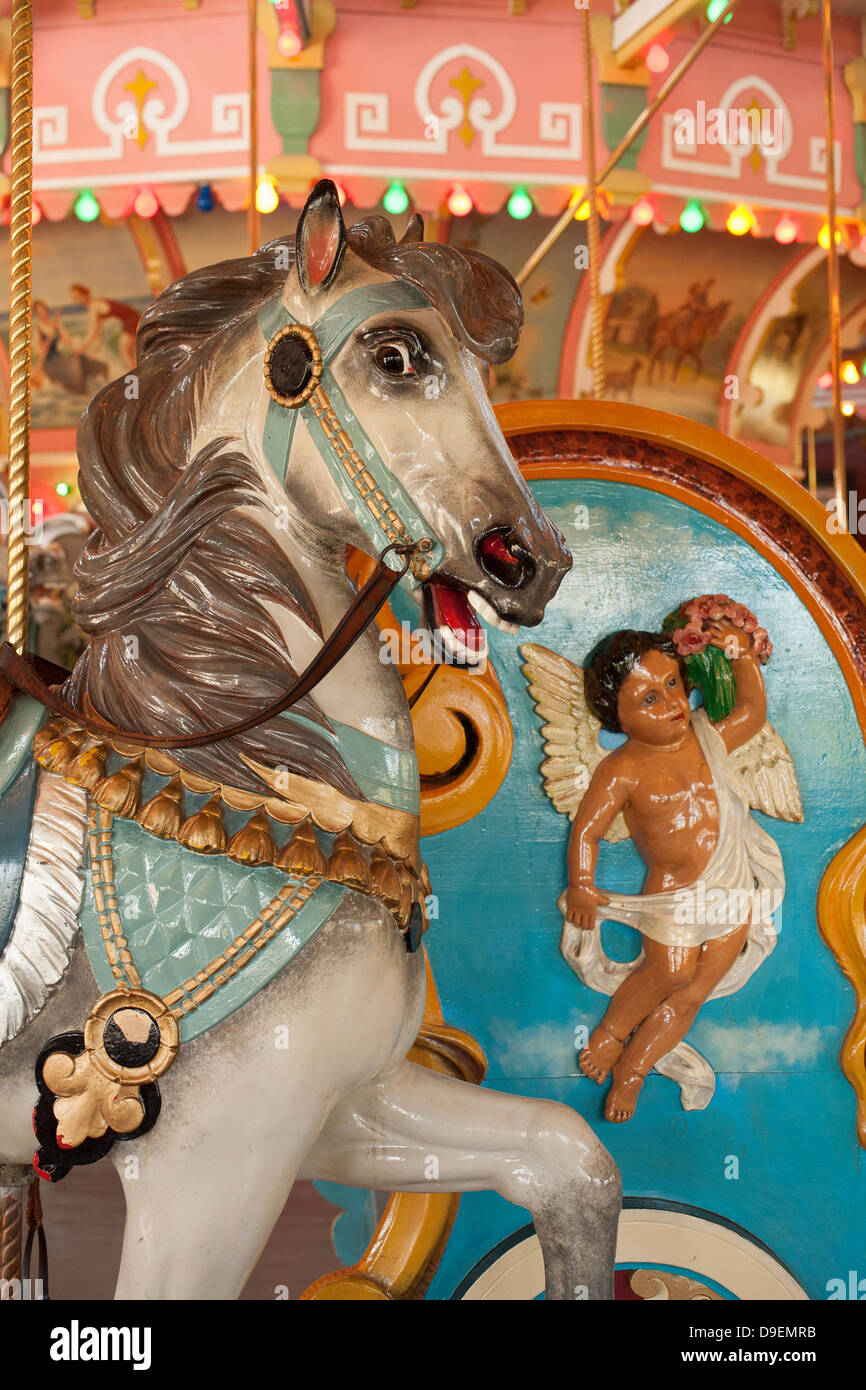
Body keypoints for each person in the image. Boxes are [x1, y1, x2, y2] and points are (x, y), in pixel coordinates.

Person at [565, 623, 783, 1122]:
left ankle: (633, 1071)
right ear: (615, 716)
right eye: (648, 698)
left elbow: (752, 712)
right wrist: (581, 884)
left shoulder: (709, 737)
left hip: (730, 887)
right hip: (674, 896)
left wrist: (741, 653)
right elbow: (587, 832)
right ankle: (611, 1033)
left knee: (692, 993)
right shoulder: (622, 768)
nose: (670, 702)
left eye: (672, 684)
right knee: (670, 969)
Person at [69, 284, 141, 370]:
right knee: (127, 352)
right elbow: (99, 333)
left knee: (125, 352)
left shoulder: (94, 306)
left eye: (78, 297)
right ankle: (139, 372)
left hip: (132, 319)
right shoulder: (95, 305)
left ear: (85, 294)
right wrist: (94, 352)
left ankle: (140, 375)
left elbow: (93, 330)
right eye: (74, 299)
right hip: (133, 318)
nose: (77, 301)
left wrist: (82, 348)